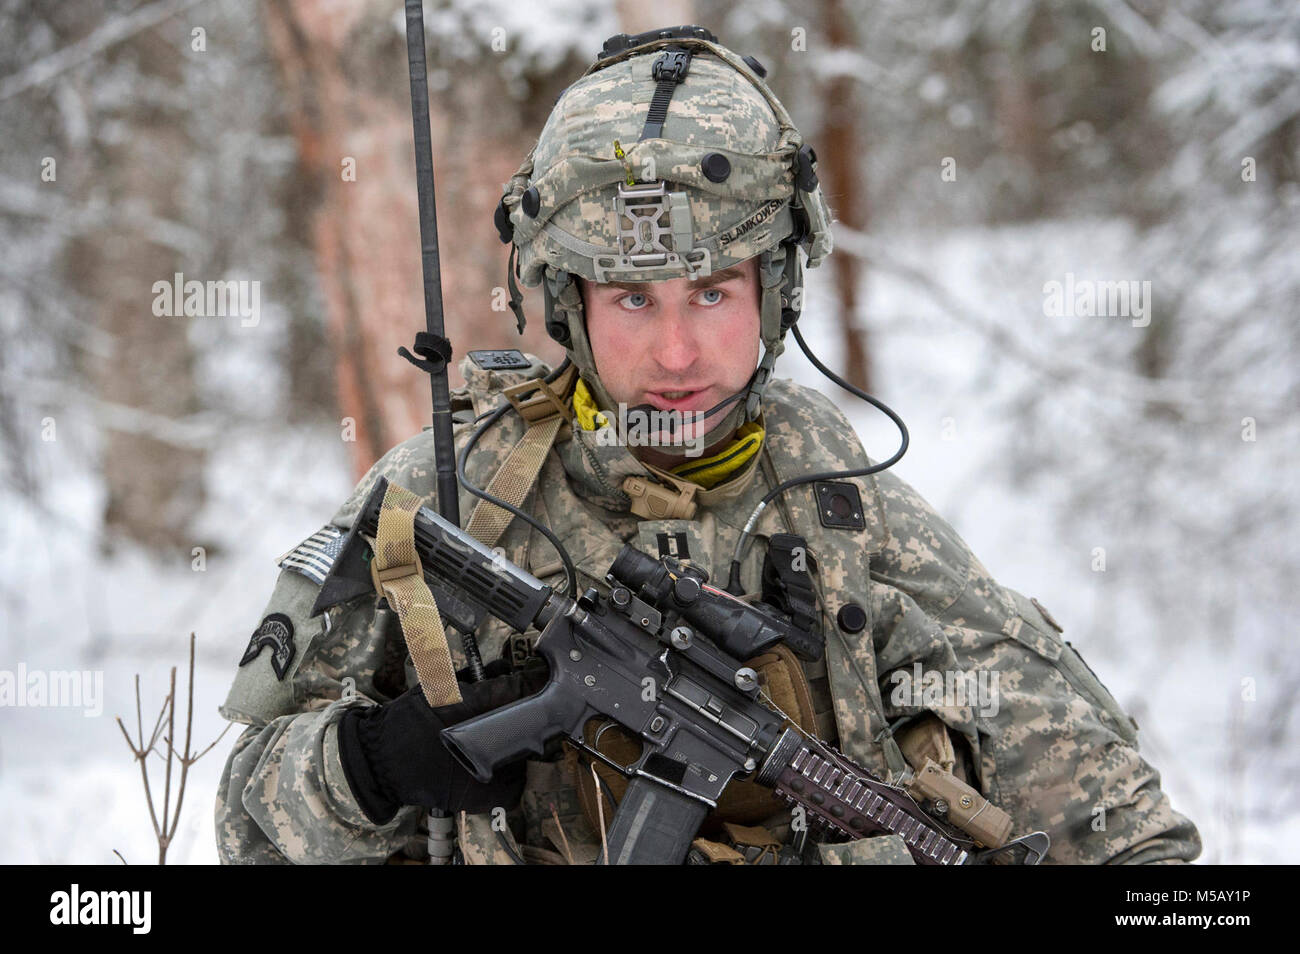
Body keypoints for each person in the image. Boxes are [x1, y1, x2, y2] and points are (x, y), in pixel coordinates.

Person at [214, 27, 1201, 865]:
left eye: (713, 293)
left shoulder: (841, 509)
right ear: (567, 303)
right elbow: (243, 821)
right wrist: (371, 763)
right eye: (633, 298)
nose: (677, 351)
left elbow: (1114, 821)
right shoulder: (446, 498)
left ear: (774, 293)